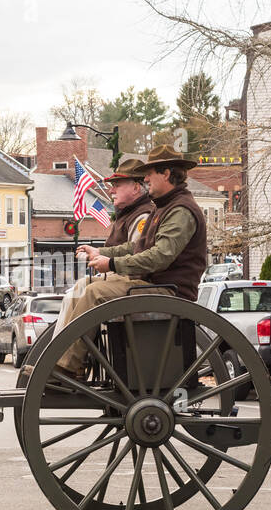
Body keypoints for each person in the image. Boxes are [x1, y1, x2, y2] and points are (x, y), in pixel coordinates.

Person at [54, 144, 207, 376]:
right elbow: (136, 247)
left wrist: (112, 264)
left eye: (150, 173)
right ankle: (66, 362)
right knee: (87, 286)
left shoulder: (181, 211)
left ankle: (67, 369)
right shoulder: (165, 207)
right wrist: (103, 254)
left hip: (170, 292)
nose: (145, 179)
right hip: (153, 286)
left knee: (94, 293)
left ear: (166, 174)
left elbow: (160, 257)